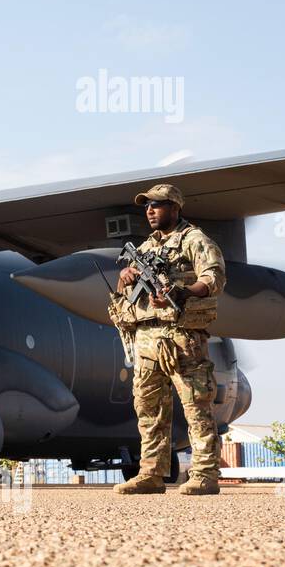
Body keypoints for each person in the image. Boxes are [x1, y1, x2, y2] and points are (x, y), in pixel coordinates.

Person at [110, 184, 226, 496]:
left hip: (181, 335)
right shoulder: (146, 247)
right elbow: (129, 293)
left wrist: (183, 292)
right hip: (146, 335)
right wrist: (125, 279)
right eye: (147, 205)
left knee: (195, 404)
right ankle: (151, 473)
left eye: (157, 205)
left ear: (175, 208)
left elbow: (213, 278)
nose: (150, 210)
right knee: (148, 408)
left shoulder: (193, 239)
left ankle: (204, 474)